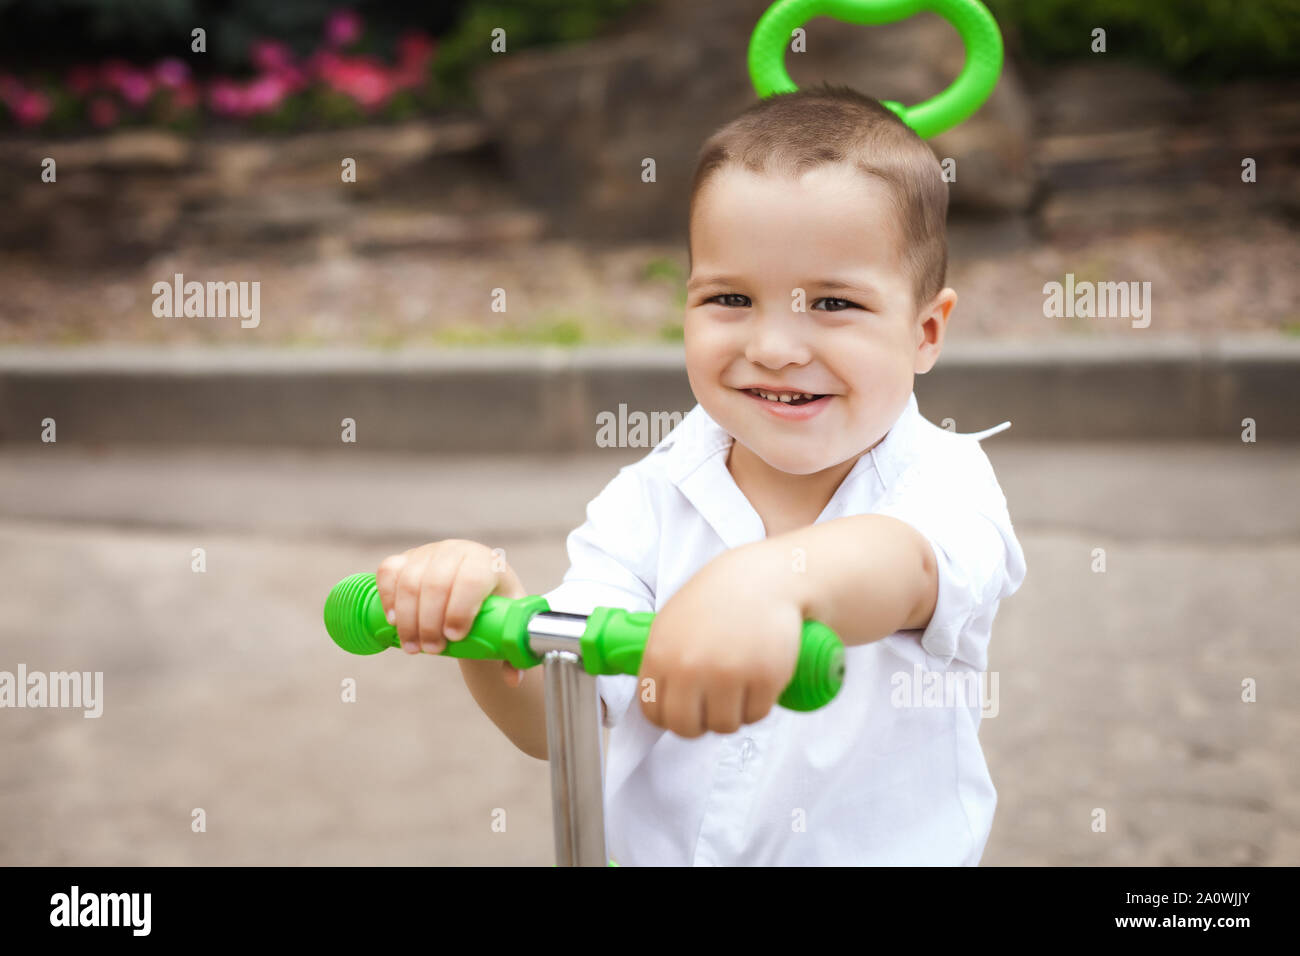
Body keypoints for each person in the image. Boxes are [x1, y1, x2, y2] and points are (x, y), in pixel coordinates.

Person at [375, 83, 1027, 865]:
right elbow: (558, 721)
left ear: (925, 332)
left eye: (832, 303)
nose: (777, 346)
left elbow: (907, 565)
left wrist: (771, 582)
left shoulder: (945, 484)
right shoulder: (649, 499)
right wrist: (484, 624)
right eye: (730, 297)